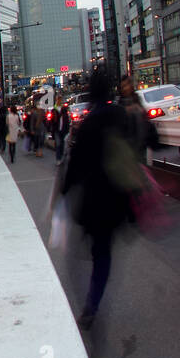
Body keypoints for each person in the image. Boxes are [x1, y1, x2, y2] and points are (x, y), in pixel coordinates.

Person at [61, 69, 138, 329]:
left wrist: (64, 190)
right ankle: (93, 301)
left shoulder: (88, 122)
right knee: (104, 254)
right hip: (117, 196)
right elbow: (133, 152)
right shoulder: (119, 115)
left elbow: (76, 164)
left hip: (93, 199)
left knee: (91, 249)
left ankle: (90, 301)